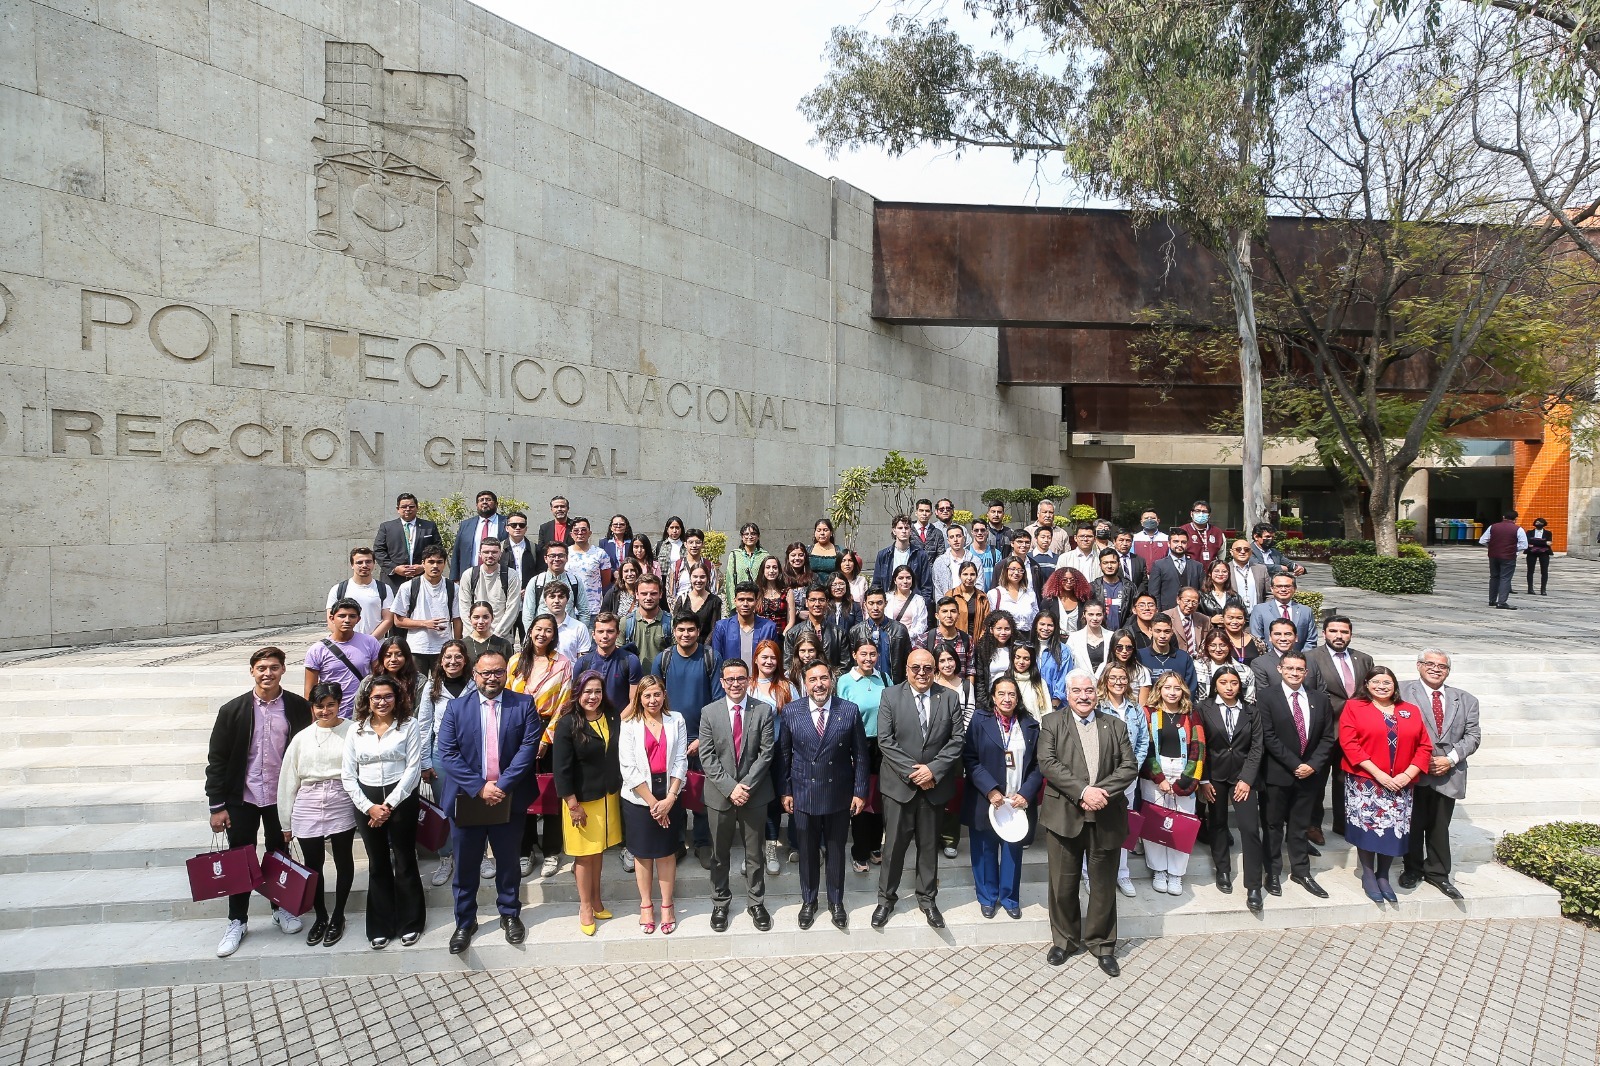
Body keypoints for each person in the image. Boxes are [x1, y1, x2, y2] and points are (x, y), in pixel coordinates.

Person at [205, 647, 312, 958]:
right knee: (241, 859)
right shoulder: (233, 710)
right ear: (252, 671)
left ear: (283, 670)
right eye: (262, 667)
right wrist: (217, 805)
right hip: (244, 797)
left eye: (274, 667)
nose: (268, 673)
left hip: (280, 796)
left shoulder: (296, 707)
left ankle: (282, 908)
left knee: (279, 854)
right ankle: (237, 920)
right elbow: (217, 760)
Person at [438, 650, 541, 954]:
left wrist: (502, 786)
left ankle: (509, 914)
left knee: (508, 861)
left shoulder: (524, 704)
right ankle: (465, 921)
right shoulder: (457, 708)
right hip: (468, 799)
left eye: (497, 672)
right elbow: (448, 753)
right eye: (485, 673)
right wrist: (481, 787)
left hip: (508, 798)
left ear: (505, 674)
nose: (492, 678)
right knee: (466, 864)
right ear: (474, 675)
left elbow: (528, 748)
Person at [1038, 669, 1138, 976]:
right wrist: (1082, 792)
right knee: (1063, 884)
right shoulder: (1051, 723)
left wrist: (1099, 793)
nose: (1084, 696)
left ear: (1097, 693)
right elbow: (1047, 762)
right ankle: (1065, 940)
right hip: (1065, 816)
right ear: (1067, 695)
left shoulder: (1115, 725)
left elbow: (1129, 766)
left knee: (1104, 886)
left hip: (1105, 815)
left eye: (1089, 691)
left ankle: (1102, 944)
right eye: (1078, 691)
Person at [873, 649, 965, 929]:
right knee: (893, 848)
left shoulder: (948, 697)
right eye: (916, 668)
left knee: (928, 847)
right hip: (900, 787)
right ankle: (886, 899)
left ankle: (927, 899)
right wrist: (915, 773)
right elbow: (885, 740)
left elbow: (957, 739)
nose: (922, 673)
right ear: (906, 669)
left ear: (935, 669)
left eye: (927, 668)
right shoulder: (890, 695)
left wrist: (933, 770)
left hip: (934, 786)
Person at [776, 661, 870, 930]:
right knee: (806, 851)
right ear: (805, 684)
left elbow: (861, 757)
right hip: (804, 792)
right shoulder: (792, 711)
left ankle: (836, 901)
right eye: (813, 679)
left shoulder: (848, 711)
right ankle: (809, 900)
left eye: (824, 678)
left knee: (836, 850)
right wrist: (786, 790)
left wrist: (860, 792)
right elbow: (784, 755)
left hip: (839, 794)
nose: (819, 684)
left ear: (832, 681)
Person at [340, 674, 425, 949]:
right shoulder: (356, 729)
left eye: (388, 696)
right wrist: (369, 807)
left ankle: (410, 922)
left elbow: (413, 769)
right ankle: (380, 925)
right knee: (377, 863)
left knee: (404, 859)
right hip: (367, 799)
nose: (382, 702)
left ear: (397, 698)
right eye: (376, 697)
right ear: (367, 699)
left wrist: (388, 806)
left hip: (401, 799)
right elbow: (347, 775)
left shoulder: (408, 726)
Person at [1339, 666, 1431, 904]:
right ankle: (1368, 873)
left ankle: (1383, 875)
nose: (1382, 686)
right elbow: (1349, 744)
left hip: (1401, 782)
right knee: (1369, 827)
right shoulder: (1354, 707)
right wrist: (1378, 774)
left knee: (1394, 829)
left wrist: (1408, 775)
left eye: (1387, 682)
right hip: (1367, 781)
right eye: (1376, 681)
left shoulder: (1409, 710)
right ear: (1367, 684)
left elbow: (1424, 746)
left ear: (1395, 685)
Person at [698, 658, 777, 932]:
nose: (735, 683)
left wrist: (745, 787)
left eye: (740, 678)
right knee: (719, 855)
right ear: (722, 682)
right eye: (729, 679)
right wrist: (731, 788)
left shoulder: (763, 710)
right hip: (720, 796)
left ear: (748, 680)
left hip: (754, 795)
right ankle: (720, 902)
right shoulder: (709, 712)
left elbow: (766, 754)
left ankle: (756, 902)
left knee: (754, 854)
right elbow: (707, 756)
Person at [276, 682, 357, 947]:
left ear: (339, 704)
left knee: (344, 859)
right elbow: (289, 780)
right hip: (308, 801)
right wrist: (285, 821)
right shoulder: (302, 738)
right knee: (314, 864)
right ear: (313, 707)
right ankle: (321, 915)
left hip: (341, 798)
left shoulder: (353, 731)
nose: (325, 711)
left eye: (330, 705)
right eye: (320, 706)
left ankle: (338, 915)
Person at [1399, 649, 1481, 899]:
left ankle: (1438, 873)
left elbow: (1473, 736)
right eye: (1429, 664)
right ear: (1418, 665)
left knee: (1439, 826)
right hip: (1413, 771)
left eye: (1442, 666)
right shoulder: (1400, 692)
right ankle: (1412, 869)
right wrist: (1421, 760)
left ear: (1448, 671)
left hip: (1448, 772)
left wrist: (1450, 759)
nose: (1435, 669)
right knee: (1412, 824)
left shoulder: (1466, 699)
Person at [1259, 652, 1336, 899]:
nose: (1294, 673)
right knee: (1272, 825)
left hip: (1309, 775)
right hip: (1278, 773)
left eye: (1299, 669)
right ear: (1280, 669)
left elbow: (1327, 737)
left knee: (1300, 825)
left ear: (1306, 672)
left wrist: (1312, 765)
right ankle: (1272, 872)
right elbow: (1268, 736)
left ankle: (1301, 871)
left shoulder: (1319, 699)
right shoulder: (1266, 697)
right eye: (1289, 668)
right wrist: (1295, 764)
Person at [552, 670, 623, 935]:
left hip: (607, 797)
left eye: (597, 691)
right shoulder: (568, 723)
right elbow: (561, 769)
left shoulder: (612, 717)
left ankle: (596, 900)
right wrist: (572, 803)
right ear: (577, 694)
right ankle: (584, 906)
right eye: (587, 692)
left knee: (598, 852)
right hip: (580, 801)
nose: (593, 697)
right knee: (584, 856)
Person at [650, 614, 724, 865]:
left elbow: (716, 702)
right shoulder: (664, 659)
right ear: (674, 631)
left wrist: (703, 738)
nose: (686, 634)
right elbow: (653, 698)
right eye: (680, 629)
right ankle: (677, 841)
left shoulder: (710, 657)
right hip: (670, 738)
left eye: (691, 629)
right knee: (674, 790)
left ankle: (702, 842)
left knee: (703, 791)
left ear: (699, 630)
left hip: (703, 737)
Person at [619, 676, 688, 935]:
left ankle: (668, 905)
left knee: (667, 852)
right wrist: (652, 804)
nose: (652, 700)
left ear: (664, 695)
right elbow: (628, 767)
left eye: (657, 694)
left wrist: (669, 799)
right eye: (647, 695)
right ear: (639, 698)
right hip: (639, 797)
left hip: (669, 791)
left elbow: (681, 760)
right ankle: (646, 905)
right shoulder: (629, 724)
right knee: (643, 854)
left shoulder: (676, 719)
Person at [506, 614, 573, 880]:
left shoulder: (563, 663)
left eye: (548, 630)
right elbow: (508, 698)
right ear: (530, 631)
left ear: (554, 634)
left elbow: (565, 703)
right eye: (538, 629)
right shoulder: (515, 662)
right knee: (522, 793)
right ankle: (525, 850)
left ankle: (552, 851)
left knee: (551, 792)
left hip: (550, 732)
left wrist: (546, 740)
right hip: (518, 732)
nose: (542, 634)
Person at [1196, 665, 1265, 912]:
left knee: (1249, 829)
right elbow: (1199, 745)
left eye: (1233, 682)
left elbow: (1257, 747)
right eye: (1223, 682)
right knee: (1217, 823)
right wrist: (1203, 780)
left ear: (1240, 685)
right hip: (1214, 775)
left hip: (1242, 777)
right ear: (1215, 684)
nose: (1229, 687)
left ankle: (1254, 885)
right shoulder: (1203, 709)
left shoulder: (1250, 711)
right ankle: (1222, 870)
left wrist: (1246, 779)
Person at [1307, 615, 1374, 842]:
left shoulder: (1364, 659)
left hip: (1355, 731)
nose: (1339, 636)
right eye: (1333, 631)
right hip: (1324, 729)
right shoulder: (1312, 658)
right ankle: (1313, 824)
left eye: (1344, 632)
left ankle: (1343, 822)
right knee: (1317, 779)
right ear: (1324, 633)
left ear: (1350, 635)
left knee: (1345, 778)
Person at [1139, 672, 1206, 896]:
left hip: (1183, 771)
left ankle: (1176, 873)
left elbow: (1198, 750)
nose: (1172, 692)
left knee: (1182, 824)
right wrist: (1159, 779)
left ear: (1183, 691)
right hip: (1155, 774)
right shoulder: (1149, 714)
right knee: (1155, 821)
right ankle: (1159, 870)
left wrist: (1184, 782)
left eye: (1177, 688)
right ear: (1159, 689)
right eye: (1167, 687)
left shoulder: (1191, 715)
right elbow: (1145, 748)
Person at [416, 639, 473, 887]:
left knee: (475, 807)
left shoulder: (475, 684)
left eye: (458, 657)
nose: (453, 662)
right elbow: (423, 725)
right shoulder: (432, 687)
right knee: (445, 808)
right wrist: (425, 762)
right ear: (440, 660)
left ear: (465, 659)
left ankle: (478, 856)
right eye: (448, 657)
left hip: (472, 757)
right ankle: (446, 857)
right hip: (442, 756)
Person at [1094, 663, 1149, 896]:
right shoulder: (1097, 707)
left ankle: (1122, 873)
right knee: (1094, 825)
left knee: (1122, 826)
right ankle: (1091, 874)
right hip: (1101, 776)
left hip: (1127, 778)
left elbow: (1143, 742)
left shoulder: (1135, 709)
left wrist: (1130, 770)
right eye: (1113, 677)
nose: (1118, 682)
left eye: (1123, 678)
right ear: (1105, 680)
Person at [836, 640, 891, 873]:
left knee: (878, 798)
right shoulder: (845, 681)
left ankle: (874, 846)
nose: (868, 659)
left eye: (873, 654)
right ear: (854, 655)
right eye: (863, 654)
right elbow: (839, 714)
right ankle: (859, 851)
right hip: (857, 743)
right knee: (860, 798)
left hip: (883, 744)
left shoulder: (886, 679)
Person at [751, 638, 798, 874]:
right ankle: (753, 851)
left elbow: (800, 719)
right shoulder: (747, 685)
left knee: (772, 802)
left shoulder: (786, 686)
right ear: (756, 659)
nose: (769, 661)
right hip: (752, 754)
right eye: (764, 656)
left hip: (780, 752)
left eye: (773, 657)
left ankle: (770, 848)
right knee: (753, 802)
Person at [931, 645, 977, 858]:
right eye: (942, 661)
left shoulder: (966, 685)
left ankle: (950, 838)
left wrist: (957, 737)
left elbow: (969, 712)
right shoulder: (930, 684)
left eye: (950, 659)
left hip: (957, 747)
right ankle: (931, 836)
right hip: (933, 747)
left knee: (953, 793)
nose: (947, 664)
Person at [303, 598, 380, 720]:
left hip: (362, 712)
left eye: (352, 616)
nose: (347, 620)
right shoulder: (317, 650)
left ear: (358, 619)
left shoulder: (370, 642)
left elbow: (379, 677)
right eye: (342, 616)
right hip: (331, 714)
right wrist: (312, 719)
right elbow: (310, 689)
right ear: (332, 618)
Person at [392, 545, 460, 676]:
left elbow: (457, 619)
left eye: (439, 562)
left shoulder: (453, 588)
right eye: (431, 562)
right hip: (417, 648)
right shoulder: (409, 587)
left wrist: (456, 645)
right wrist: (424, 623)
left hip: (444, 649)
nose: (435, 566)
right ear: (423, 564)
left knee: (441, 689)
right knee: (416, 689)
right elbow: (398, 621)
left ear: (445, 564)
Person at [573, 612, 643, 714]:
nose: (605, 636)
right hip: (590, 723)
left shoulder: (631, 661)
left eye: (610, 631)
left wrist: (617, 723)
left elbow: (634, 701)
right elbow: (576, 697)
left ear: (618, 634)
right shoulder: (583, 662)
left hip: (622, 722)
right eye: (600, 631)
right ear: (593, 634)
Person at [372, 493, 442, 591]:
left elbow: (438, 550)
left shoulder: (429, 526)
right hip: (394, 580)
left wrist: (423, 567)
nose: (407, 509)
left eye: (411, 506)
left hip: (423, 578)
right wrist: (395, 568)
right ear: (398, 509)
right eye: (404, 507)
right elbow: (378, 551)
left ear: (417, 508)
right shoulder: (387, 527)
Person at [848, 585, 914, 685]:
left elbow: (908, 660)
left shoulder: (899, 630)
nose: (875, 608)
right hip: (865, 685)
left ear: (885, 604)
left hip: (894, 685)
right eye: (871, 603)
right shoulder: (856, 631)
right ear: (865, 604)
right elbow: (852, 663)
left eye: (879, 603)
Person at [522, 542, 589, 632]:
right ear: (545, 559)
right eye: (552, 556)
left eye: (561, 555)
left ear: (567, 558)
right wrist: (532, 635)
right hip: (543, 635)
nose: (556, 559)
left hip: (569, 633)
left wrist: (580, 632)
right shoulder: (536, 582)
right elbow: (528, 614)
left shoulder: (575, 582)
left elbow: (584, 611)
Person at [326, 547, 393, 638]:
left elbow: (388, 620)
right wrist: (349, 640)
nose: (364, 565)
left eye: (368, 562)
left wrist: (369, 641)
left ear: (374, 564)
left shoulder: (385, 589)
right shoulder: (338, 589)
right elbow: (331, 621)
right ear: (352, 565)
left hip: (374, 646)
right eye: (359, 562)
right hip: (345, 646)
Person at [784, 584, 850, 672]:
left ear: (827, 602)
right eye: (813, 600)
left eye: (821, 600)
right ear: (806, 603)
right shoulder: (793, 633)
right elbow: (788, 666)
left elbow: (845, 666)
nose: (817, 604)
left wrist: (827, 680)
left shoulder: (839, 633)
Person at [449, 490, 509, 581]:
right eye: (481, 500)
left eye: (488, 499)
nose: (484, 502)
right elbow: (457, 552)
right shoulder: (466, 525)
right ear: (477, 505)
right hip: (470, 575)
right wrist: (454, 578)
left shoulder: (506, 523)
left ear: (496, 504)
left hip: (499, 575)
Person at [873, 515, 934, 605]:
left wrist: (923, 604)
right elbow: (876, 583)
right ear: (894, 531)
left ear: (911, 530)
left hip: (914, 603)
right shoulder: (883, 555)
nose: (904, 531)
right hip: (889, 602)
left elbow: (926, 585)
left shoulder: (920, 555)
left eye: (906, 528)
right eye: (900, 528)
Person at [1248, 574, 1318, 651]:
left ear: (1294, 588)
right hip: (1270, 660)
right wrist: (1273, 657)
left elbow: (1311, 640)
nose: (1283, 589)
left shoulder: (1306, 611)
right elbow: (1257, 638)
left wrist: (1299, 658)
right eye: (1279, 586)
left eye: (1287, 586)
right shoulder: (1259, 610)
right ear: (1272, 589)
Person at [916, 595, 974, 680]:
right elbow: (918, 668)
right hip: (934, 690)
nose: (949, 615)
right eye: (944, 611)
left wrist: (969, 692)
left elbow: (970, 671)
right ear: (937, 615)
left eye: (953, 611)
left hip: (960, 690)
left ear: (958, 614)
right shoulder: (925, 639)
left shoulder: (967, 639)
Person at [1480, 509, 1528, 610]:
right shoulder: (1518, 529)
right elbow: (1524, 545)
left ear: (1503, 517)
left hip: (1493, 555)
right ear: (1515, 519)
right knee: (1505, 578)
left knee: (1494, 577)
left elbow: (1483, 540)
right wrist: (1513, 549)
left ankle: (1492, 600)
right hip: (1508, 557)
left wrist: (1491, 547)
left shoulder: (1493, 527)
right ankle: (1502, 602)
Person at [1138, 616, 1198, 695]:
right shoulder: (1139, 656)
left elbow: (1190, 689)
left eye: (1167, 631)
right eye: (1158, 631)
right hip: (1148, 706)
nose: (1162, 636)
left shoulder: (1183, 658)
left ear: (1172, 632)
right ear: (1150, 630)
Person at [1146, 529, 1203, 612]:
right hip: (1167, 611)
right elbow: (1154, 592)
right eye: (1176, 542)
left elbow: (1202, 592)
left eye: (1183, 542)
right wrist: (1158, 613)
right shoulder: (1159, 565)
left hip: (1192, 612)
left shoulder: (1197, 566)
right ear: (1169, 543)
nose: (1180, 545)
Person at [566, 517, 614, 612]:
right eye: (576, 530)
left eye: (584, 530)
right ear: (571, 534)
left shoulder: (600, 553)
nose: (580, 533)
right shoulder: (564, 553)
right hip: (568, 607)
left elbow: (606, 580)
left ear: (589, 533)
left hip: (592, 608)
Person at [1196, 631, 1257, 704]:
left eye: (1223, 645)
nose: (1218, 649)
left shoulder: (1245, 671)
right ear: (1206, 647)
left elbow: (1249, 700)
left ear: (1229, 646)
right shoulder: (1196, 667)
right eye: (1213, 645)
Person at [538, 581, 592, 663]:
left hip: (571, 674)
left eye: (561, 597)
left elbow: (583, 662)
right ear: (545, 600)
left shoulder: (579, 628)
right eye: (552, 597)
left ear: (567, 600)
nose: (556, 601)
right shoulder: (537, 628)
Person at [973, 611, 1018, 707]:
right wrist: (985, 705)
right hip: (990, 700)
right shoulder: (982, 650)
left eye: (1007, 629)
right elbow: (980, 681)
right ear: (991, 630)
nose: (1003, 632)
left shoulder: (1016, 649)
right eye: (999, 629)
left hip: (1010, 701)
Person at [622, 575, 669, 667]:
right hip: (634, 680)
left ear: (660, 594)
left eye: (653, 593)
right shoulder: (625, 623)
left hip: (662, 679)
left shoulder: (670, 623)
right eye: (644, 593)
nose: (648, 598)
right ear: (636, 594)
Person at [987, 557, 1039, 638]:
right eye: (1012, 569)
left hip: (1026, 639)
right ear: (1005, 570)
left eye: (1020, 570)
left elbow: (1036, 618)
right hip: (1004, 638)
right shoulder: (994, 594)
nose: (1016, 573)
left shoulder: (1030, 594)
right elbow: (991, 620)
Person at [672, 560, 723, 642]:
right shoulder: (682, 599)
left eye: (702, 577)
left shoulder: (714, 601)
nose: (698, 580)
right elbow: (675, 625)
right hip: (684, 646)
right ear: (690, 578)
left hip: (704, 649)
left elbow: (714, 629)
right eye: (695, 577)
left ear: (707, 578)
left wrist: (704, 650)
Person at [666, 528, 719, 604]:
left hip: (704, 610)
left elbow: (714, 592)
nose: (694, 545)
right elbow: (670, 595)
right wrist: (677, 612)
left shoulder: (709, 566)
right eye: (691, 542)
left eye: (698, 542)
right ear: (685, 544)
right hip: (682, 610)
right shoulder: (676, 566)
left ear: (703, 544)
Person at [1032, 613, 1072, 713]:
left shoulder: (1063, 650)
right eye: (1042, 624)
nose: (1045, 628)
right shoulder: (1028, 647)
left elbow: (1064, 677)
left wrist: (1055, 703)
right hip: (1031, 702)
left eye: (1050, 625)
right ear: (1036, 625)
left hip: (1056, 706)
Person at [1088, 548, 1136, 632]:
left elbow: (1133, 613)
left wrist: (1125, 631)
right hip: (1099, 633)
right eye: (1105, 563)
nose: (1109, 566)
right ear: (1100, 565)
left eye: (1113, 562)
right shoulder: (1093, 587)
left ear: (1119, 564)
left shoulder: (1129, 587)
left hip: (1124, 634)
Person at [724, 522, 771, 604]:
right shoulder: (734, 555)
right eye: (746, 534)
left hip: (759, 600)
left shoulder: (765, 555)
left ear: (758, 536)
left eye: (753, 534)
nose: (750, 537)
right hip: (740, 600)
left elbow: (768, 581)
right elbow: (729, 581)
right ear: (742, 537)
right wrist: (733, 603)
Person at [1038, 565, 1090, 636]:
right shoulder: (1049, 600)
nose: (1068, 582)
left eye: (1072, 580)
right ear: (1057, 581)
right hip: (1055, 640)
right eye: (1064, 580)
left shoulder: (1083, 601)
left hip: (1077, 640)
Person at [1067, 602, 1114, 678]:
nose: (1095, 618)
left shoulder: (1111, 636)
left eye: (1098, 614)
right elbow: (1069, 664)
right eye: (1091, 614)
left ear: (1103, 615)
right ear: (1084, 615)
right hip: (1082, 684)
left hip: (1105, 683)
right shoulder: (1074, 638)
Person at [932, 523, 978, 600]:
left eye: (958, 536)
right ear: (948, 541)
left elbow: (979, 585)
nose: (955, 540)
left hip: (970, 605)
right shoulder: (940, 562)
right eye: (952, 537)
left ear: (964, 538)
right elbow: (937, 590)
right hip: (948, 606)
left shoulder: (975, 560)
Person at [461, 602, 514, 667]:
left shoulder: (503, 644)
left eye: (485, 617)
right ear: (470, 618)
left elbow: (509, 671)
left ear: (492, 618)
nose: (481, 622)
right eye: (476, 617)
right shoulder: (462, 644)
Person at [885, 564, 929, 643]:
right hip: (889, 641)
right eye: (901, 578)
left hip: (911, 642)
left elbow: (922, 624)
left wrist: (906, 635)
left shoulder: (919, 600)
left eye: (908, 578)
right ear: (895, 580)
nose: (905, 581)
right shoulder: (886, 598)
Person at [1008, 644, 1053, 720]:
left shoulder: (1039, 683)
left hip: (1034, 727)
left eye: (1026, 658)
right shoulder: (1005, 680)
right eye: (1018, 657)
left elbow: (1047, 711)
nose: (1021, 662)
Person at [1165, 586, 1212, 659]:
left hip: (1197, 661)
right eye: (1187, 601)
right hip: (1173, 659)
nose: (1190, 605)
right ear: (1178, 600)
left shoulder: (1204, 619)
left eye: (1194, 602)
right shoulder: (1166, 617)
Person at [1107, 632, 1153, 706]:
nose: (1124, 651)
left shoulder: (1141, 671)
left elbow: (1143, 705)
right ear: (1113, 648)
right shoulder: (1103, 667)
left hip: (1133, 713)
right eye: (1119, 647)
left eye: (1129, 647)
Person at [500, 511, 538, 597]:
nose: (518, 528)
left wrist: (529, 589)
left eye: (521, 525)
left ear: (526, 529)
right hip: (505, 597)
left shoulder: (535, 548)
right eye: (513, 525)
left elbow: (540, 573)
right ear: (507, 528)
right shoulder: (499, 549)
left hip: (529, 596)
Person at [1179, 499, 1226, 566]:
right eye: (1197, 511)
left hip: (1211, 573)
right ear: (1191, 514)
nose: (1201, 514)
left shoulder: (1218, 533)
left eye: (1204, 512)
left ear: (1209, 515)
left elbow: (1221, 558)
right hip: (1189, 573)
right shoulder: (1182, 530)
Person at [1228, 539, 1270, 612]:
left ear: (1251, 552)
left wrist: (1265, 610)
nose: (1242, 552)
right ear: (1231, 552)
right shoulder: (1225, 569)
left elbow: (1269, 594)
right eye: (1238, 549)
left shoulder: (1261, 569)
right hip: (1233, 617)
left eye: (1246, 549)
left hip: (1257, 615)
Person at [950, 560, 990, 638]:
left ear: (977, 576)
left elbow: (987, 622)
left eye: (972, 574)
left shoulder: (982, 597)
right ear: (959, 576)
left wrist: (981, 640)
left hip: (977, 641)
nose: (969, 578)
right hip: (956, 641)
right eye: (965, 574)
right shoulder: (951, 595)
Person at [1199, 559, 1244, 625]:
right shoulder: (1201, 596)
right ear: (1209, 573)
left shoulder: (1235, 597)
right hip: (1209, 633)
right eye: (1216, 571)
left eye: (1224, 571)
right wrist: (1210, 620)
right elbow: (1194, 618)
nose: (1220, 574)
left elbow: (1245, 617)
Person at [780, 542, 815, 625]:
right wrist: (797, 613)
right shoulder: (781, 577)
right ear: (788, 557)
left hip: (808, 623)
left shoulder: (813, 577)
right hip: (786, 622)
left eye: (800, 555)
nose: (797, 558)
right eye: (793, 555)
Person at [536, 495, 575, 565]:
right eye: (556, 507)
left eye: (562, 506)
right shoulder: (545, 528)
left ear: (567, 509)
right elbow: (541, 551)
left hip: (571, 566)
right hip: (551, 567)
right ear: (552, 510)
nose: (559, 509)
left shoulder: (575, 526)